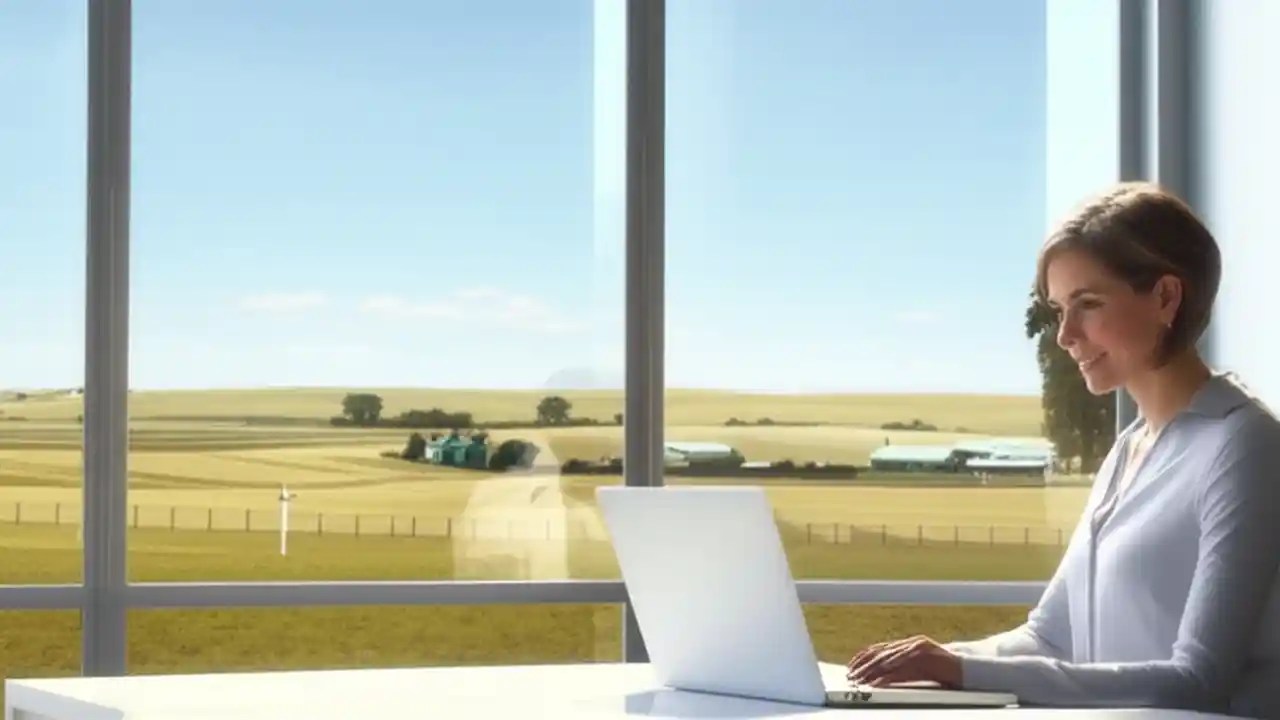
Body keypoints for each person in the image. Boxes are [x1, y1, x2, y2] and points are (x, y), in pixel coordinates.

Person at [845, 182, 1280, 717]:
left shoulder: (1243, 445)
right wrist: (915, 665)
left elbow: (1197, 681)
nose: (1065, 335)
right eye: (1058, 309)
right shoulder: (1128, 450)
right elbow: (1050, 638)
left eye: (1088, 304)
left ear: (1166, 297)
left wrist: (960, 671)